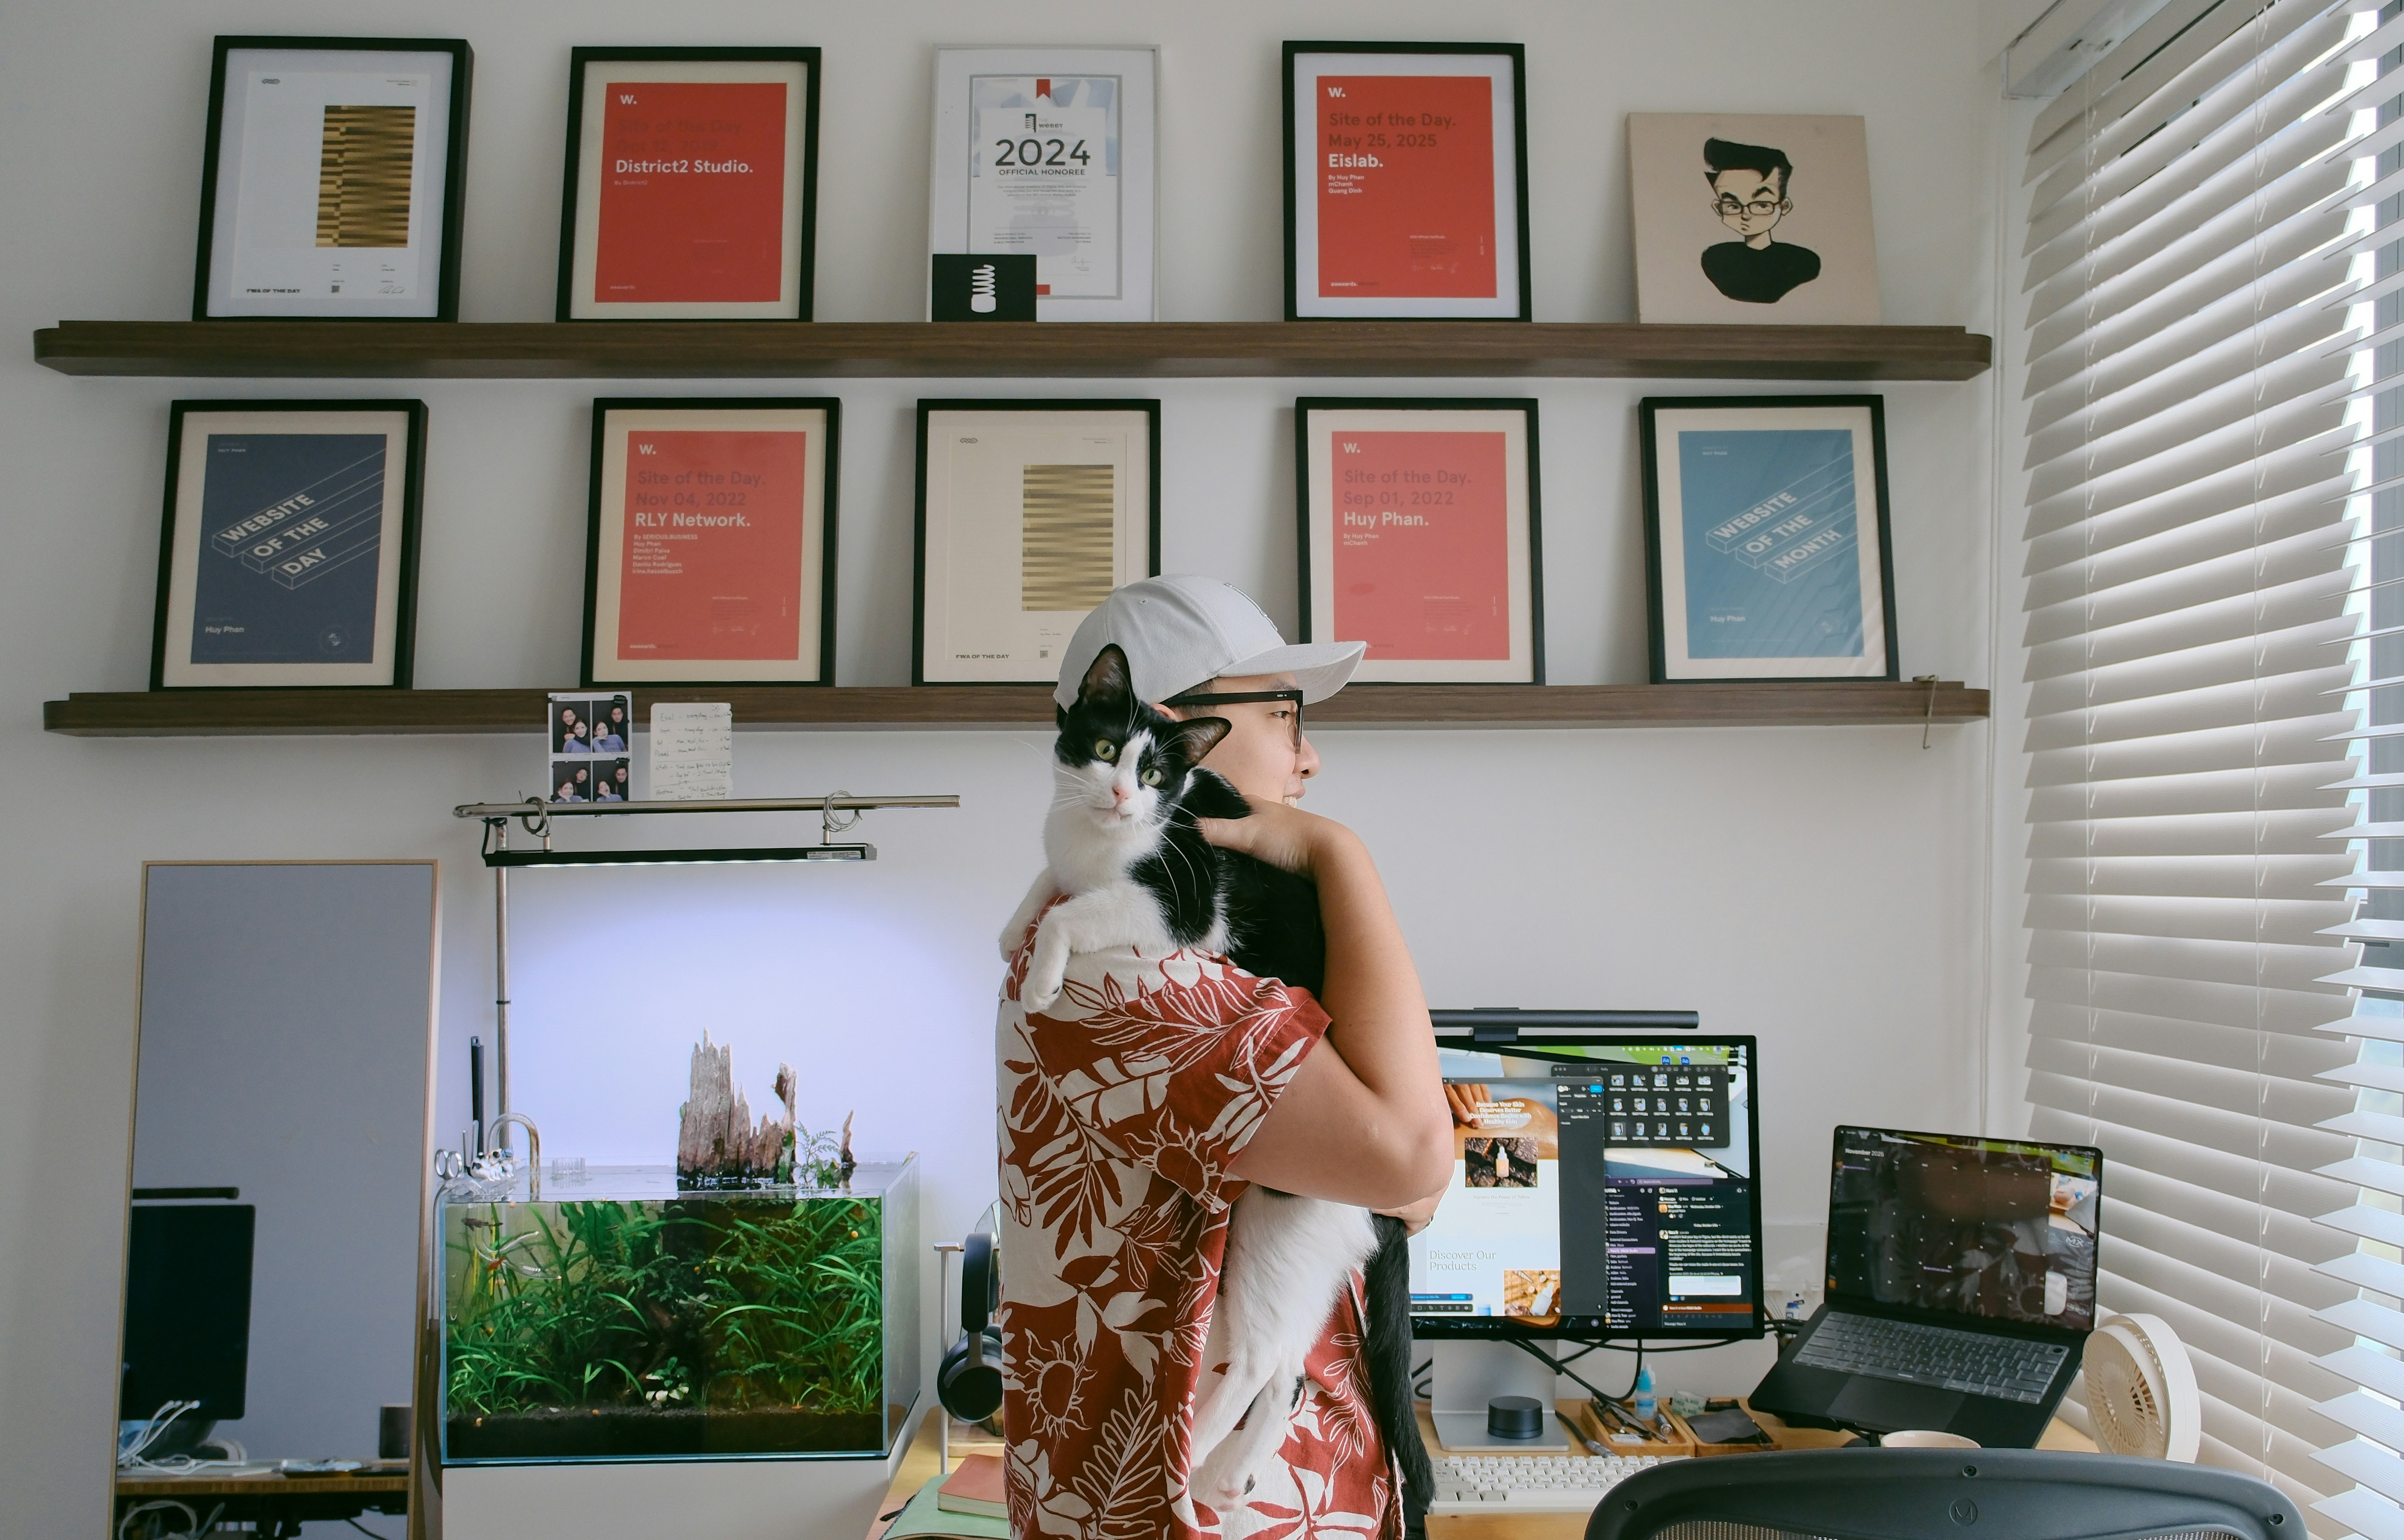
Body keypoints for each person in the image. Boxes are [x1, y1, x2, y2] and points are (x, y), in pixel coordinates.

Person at [996, 575, 1450, 1540]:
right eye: (1284, 715)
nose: (1310, 755)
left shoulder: (1178, 935)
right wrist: (1338, 854)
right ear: (1169, 728)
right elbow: (1410, 1156)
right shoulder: (1124, 964)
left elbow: (1404, 1172)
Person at [1698, 136, 1821, 304]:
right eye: (1733, 206)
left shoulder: (1804, 263)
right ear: (1719, 209)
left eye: (1761, 205)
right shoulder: (1716, 259)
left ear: (1784, 206)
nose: (1746, 215)